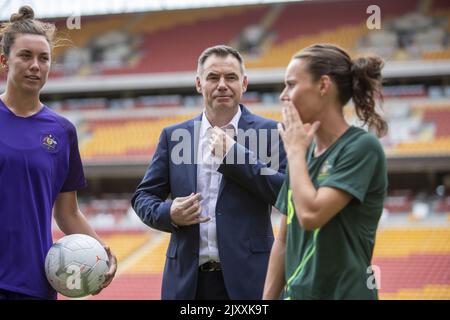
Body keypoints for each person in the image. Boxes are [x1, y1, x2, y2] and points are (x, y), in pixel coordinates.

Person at [132, 45, 286, 300]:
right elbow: (143, 197)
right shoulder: (175, 136)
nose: (222, 85)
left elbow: (286, 194)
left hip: (251, 282)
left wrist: (234, 156)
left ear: (244, 83)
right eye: (213, 77)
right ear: (198, 84)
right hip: (188, 284)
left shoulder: (270, 133)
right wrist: (168, 213)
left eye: (231, 77)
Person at [0, 6, 117, 300]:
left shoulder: (63, 131)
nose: (35, 66)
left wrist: (102, 252)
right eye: (25, 56)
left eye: (44, 58)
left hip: (34, 282)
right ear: (4, 61)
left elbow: (67, 213)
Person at [263, 44, 388, 300]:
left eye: (291, 84)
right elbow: (284, 240)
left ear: (323, 85)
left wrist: (295, 153)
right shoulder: (301, 150)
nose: (283, 95)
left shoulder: (362, 147)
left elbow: (311, 215)